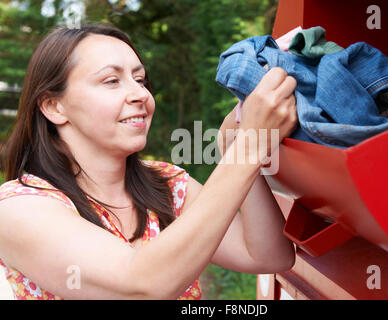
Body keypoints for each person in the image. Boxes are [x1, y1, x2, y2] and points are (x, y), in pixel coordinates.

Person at [0, 23, 298, 300]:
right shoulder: (19, 208)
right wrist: (247, 149)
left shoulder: (167, 185)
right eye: (112, 80)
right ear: (54, 106)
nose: (140, 94)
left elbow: (268, 256)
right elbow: (143, 286)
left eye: (140, 79)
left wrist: (236, 137)